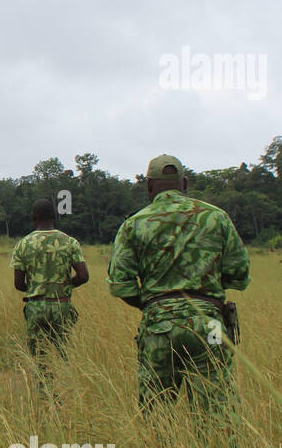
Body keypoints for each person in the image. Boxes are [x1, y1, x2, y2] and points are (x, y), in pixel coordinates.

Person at [107, 154, 250, 418]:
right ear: (184, 183)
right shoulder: (216, 217)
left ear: (149, 186)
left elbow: (121, 285)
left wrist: (157, 305)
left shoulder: (133, 225)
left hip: (158, 327)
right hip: (211, 328)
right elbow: (240, 275)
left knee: (157, 415)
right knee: (218, 413)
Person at [10, 197, 89, 373]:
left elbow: (18, 284)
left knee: (40, 359)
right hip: (62, 305)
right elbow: (83, 276)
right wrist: (64, 286)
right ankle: (66, 389)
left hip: (36, 307)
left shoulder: (23, 244)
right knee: (64, 354)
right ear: (54, 216)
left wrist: (35, 287)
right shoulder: (69, 242)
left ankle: (44, 392)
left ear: (33, 217)